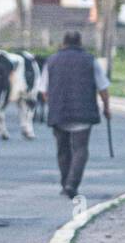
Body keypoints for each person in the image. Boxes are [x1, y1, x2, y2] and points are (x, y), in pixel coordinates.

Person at [38, 31, 110, 209]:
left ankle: (65, 183)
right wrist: (106, 107)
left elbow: (43, 91)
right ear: (80, 42)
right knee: (80, 150)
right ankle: (72, 183)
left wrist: (53, 103)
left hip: (59, 112)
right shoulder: (90, 60)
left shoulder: (52, 61)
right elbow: (103, 87)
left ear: (63, 42)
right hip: (83, 112)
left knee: (62, 150)